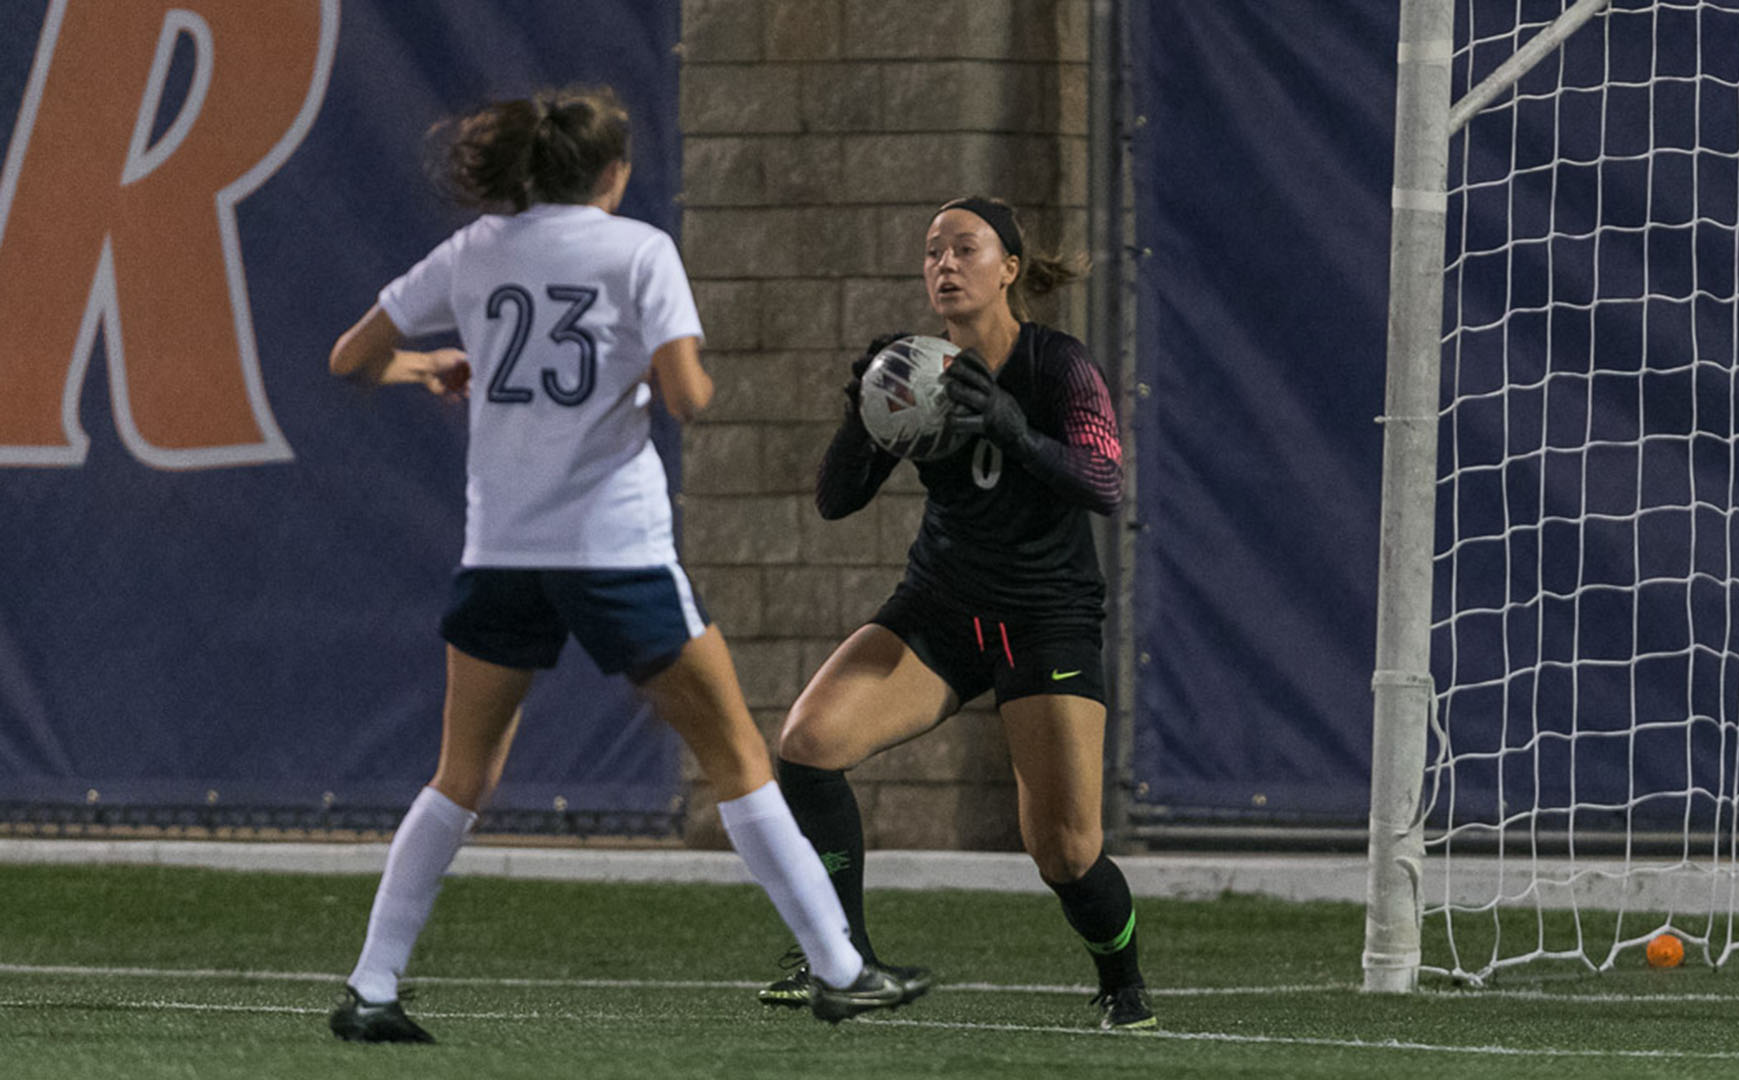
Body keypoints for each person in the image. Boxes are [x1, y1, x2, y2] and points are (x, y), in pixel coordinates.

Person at [323, 85, 927, 1042]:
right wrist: (654, 364)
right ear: (612, 175)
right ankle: (842, 970)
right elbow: (688, 395)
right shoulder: (639, 249)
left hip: (504, 553)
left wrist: (431, 367)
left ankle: (372, 988)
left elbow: (351, 358)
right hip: (613, 554)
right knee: (734, 754)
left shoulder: (479, 248)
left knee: (460, 775)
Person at [757, 195, 1154, 1031]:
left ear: (1009, 268)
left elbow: (1106, 484)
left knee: (1065, 851)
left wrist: (1016, 431)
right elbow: (834, 502)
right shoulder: (917, 369)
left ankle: (1123, 981)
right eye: (932, 251)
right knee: (807, 746)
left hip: (1045, 617)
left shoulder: (1057, 365)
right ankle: (840, 956)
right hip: (942, 606)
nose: (943, 264)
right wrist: (862, 416)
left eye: (964, 248)